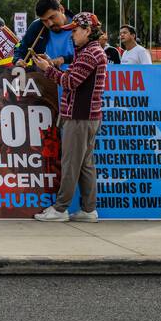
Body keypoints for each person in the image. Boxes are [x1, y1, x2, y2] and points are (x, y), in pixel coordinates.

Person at [34, 11, 107, 222]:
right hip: (88, 117)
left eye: (75, 31)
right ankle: (88, 209)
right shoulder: (92, 51)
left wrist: (48, 69)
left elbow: (70, 82)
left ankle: (60, 209)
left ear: (87, 30)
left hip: (79, 117)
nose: (72, 35)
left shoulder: (89, 53)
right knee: (85, 165)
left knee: (70, 164)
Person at [12, 0, 74, 70]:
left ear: (61, 9)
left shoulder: (79, 25)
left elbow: (88, 55)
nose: (50, 23)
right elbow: (21, 48)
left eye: (52, 17)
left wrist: (63, 59)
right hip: (43, 79)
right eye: (44, 20)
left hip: (75, 78)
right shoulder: (37, 27)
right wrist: (18, 60)